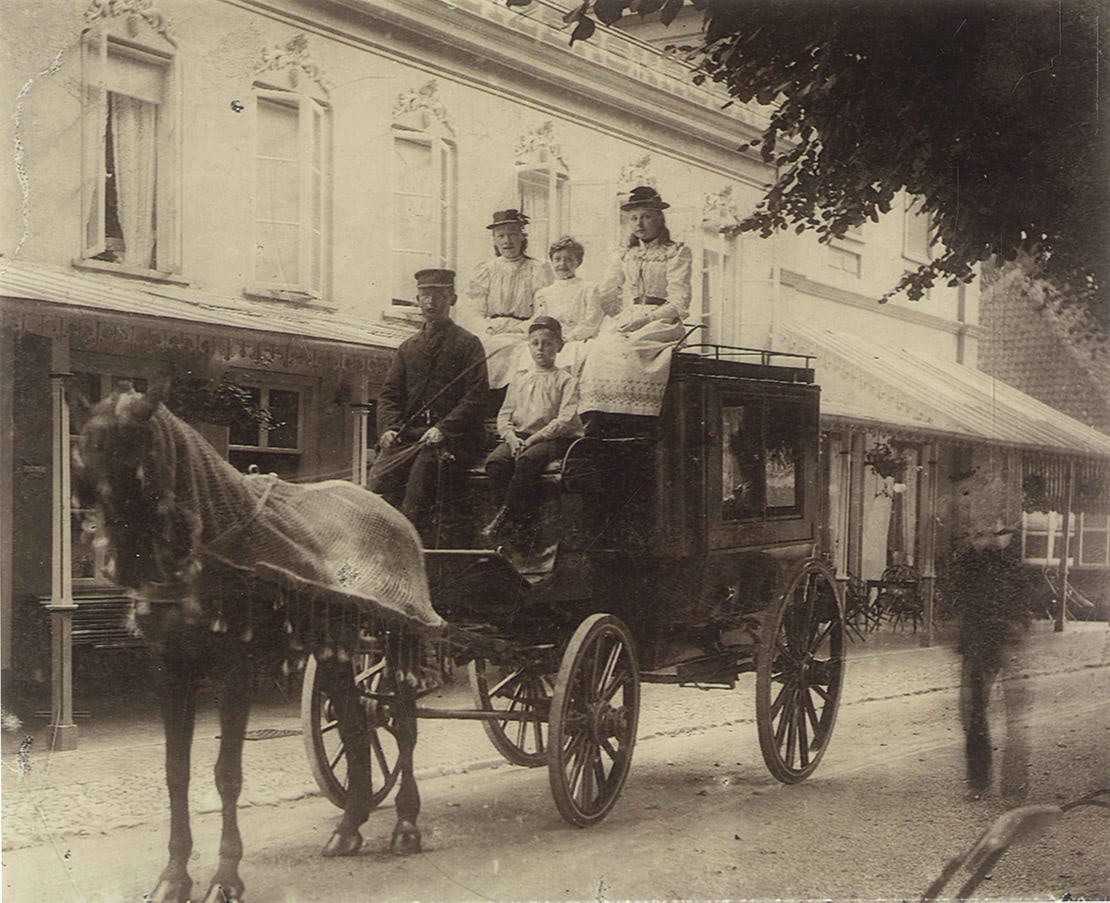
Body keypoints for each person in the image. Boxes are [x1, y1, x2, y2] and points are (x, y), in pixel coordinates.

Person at [369, 268, 489, 545]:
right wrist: (389, 429)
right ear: (417, 299)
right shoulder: (408, 348)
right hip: (409, 436)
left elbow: (475, 397)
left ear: (453, 299)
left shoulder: (468, 344)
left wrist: (443, 429)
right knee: (376, 484)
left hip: (450, 439)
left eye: (439, 296)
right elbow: (389, 395)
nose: (431, 303)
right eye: (425, 295)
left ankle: (411, 550)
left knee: (419, 488)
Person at [577, 185, 692, 436]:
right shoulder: (624, 254)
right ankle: (600, 416)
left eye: (647, 216)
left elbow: (679, 300)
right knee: (599, 349)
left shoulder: (676, 252)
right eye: (634, 218)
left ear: (660, 219)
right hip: (629, 316)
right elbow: (606, 290)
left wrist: (646, 318)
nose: (639, 223)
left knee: (628, 349)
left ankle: (637, 419)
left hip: (661, 319)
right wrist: (617, 312)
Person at [946, 517, 1035, 801]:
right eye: (979, 533)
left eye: (994, 532)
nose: (985, 538)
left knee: (1015, 720)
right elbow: (955, 600)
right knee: (975, 715)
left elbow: (1026, 602)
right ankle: (980, 782)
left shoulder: (1013, 561)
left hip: (1007, 641)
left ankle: (1012, 786)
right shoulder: (968, 563)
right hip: (981, 642)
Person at [482, 316, 583, 542]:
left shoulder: (566, 380)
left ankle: (504, 520)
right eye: (535, 343)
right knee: (496, 462)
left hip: (556, 439)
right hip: (522, 437)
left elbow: (564, 419)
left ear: (558, 346)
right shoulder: (520, 380)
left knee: (527, 461)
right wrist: (510, 438)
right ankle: (513, 525)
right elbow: (505, 414)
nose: (540, 349)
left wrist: (534, 439)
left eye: (547, 343)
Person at [463, 209, 554, 388]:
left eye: (513, 234)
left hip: (523, 331)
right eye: (501, 236)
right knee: (474, 352)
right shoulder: (486, 270)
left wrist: (522, 328)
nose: (507, 241)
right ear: (495, 240)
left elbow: (543, 309)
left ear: (522, 237)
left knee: (522, 354)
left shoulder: (537, 268)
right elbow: (474, 308)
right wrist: (486, 327)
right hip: (491, 330)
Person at [532, 235, 604, 375]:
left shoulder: (589, 288)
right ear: (552, 262)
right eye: (558, 259)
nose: (562, 264)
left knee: (572, 356)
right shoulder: (543, 293)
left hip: (577, 339)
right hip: (548, 340)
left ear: (578, 262)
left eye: (569, 259)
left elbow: (592, 320)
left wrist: (569, 338)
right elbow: (538, 320)